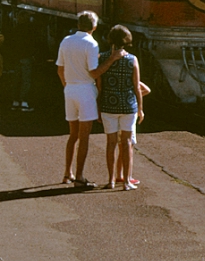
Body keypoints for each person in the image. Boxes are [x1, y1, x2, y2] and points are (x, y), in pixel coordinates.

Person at [56, 11, 123, 188]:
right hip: (85, 91)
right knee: (84, 137)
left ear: (78, 24)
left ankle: (67, 173)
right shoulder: (91, 44)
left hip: (69, 90)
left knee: (73, 135)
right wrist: (111, 59)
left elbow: (59, 69)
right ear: (94, 26)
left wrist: (67, 86)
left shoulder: (66, 41)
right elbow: (94, 72)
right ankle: (79, 177)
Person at [97, 25, 144, 190]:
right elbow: (137, 86)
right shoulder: (132, 59)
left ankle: (110, 181)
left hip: (108, 106)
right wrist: (140, 108)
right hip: (128, 106)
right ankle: (126, 182)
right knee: (126, 143)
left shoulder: (102, 57)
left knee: (111, 144)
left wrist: (98, 107)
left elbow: (99, 87)